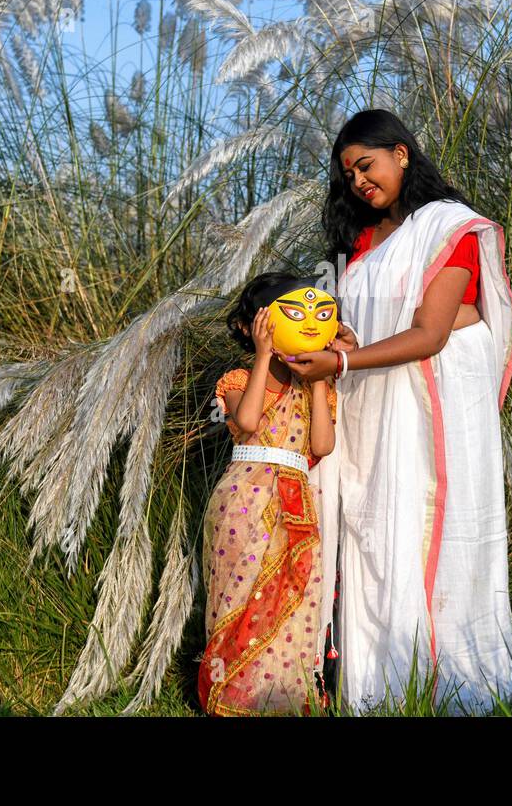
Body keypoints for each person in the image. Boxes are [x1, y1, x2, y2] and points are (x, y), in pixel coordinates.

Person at [286, 109, 512, 714]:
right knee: (374, 535)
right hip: (372, 406)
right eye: (348, 175)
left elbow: (430, 334)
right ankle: (378, 685)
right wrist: (341, 342)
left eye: (366, 166)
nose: (359, 183)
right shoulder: (361, 243)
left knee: (427, 531)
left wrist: (343, 365)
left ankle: (445, 681)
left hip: (432, 405)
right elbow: (364, 327)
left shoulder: (451, 228)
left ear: (402, 154)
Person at [198, 273, 338, 716]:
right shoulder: (237, 378)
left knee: (294, 598)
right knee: (238, 596)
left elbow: (321, 445)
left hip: (296, 502)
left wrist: (317, 376)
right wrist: (263, 357)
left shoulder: (316, 388)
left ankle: (282, 697)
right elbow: (251, 421)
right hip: (244, 499)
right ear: (253, 325)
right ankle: (231, 698)